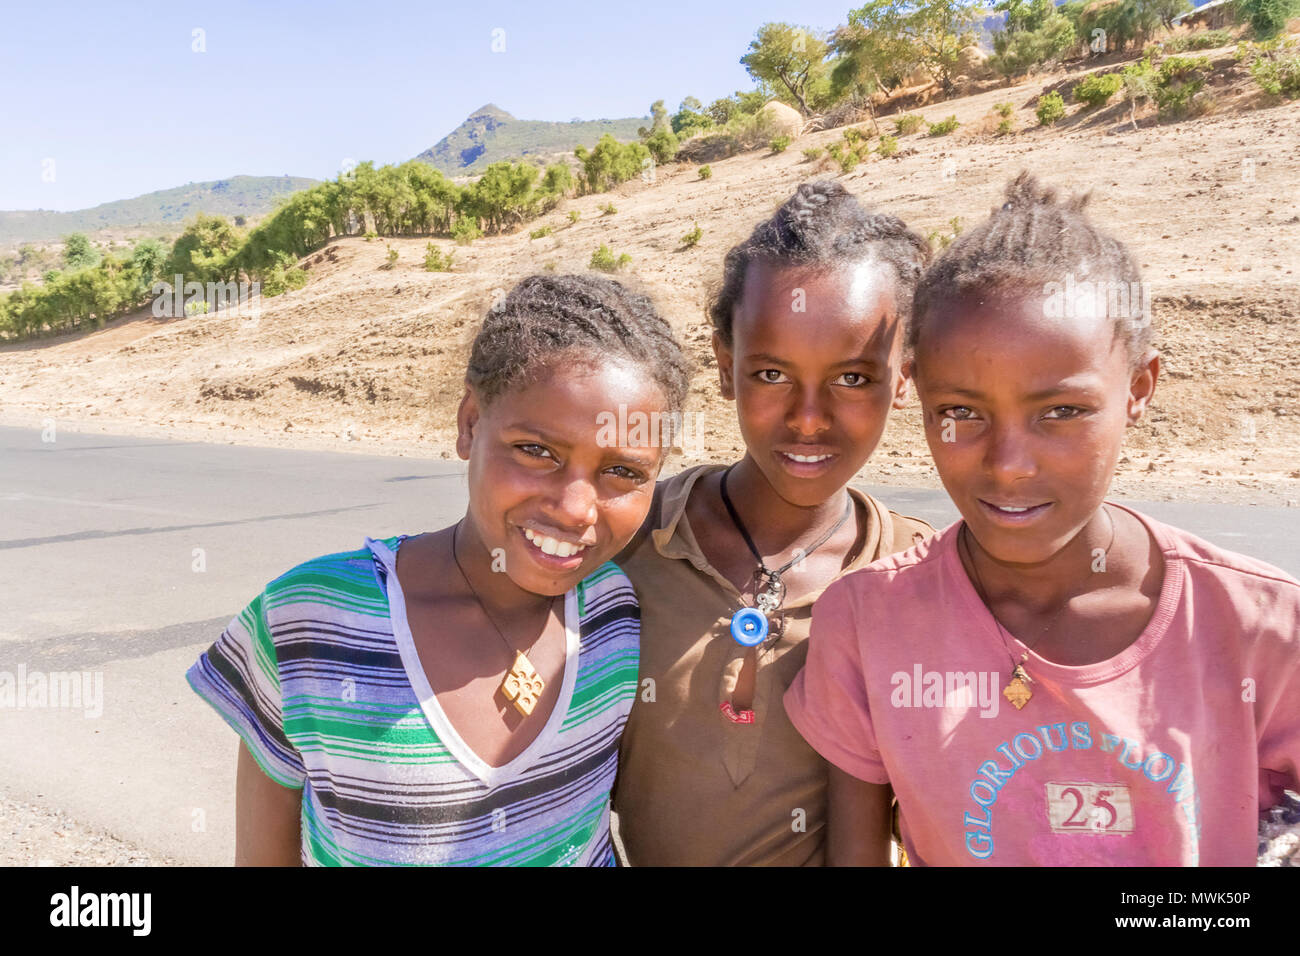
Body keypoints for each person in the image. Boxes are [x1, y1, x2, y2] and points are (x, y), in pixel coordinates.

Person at [785, 171, 1300, 866]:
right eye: (961, 412)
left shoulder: (1261, 628)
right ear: (920, 396)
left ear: (1140, 388)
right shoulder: (867, 622)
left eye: (1061, 412)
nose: (1009, 465)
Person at [186, 273, 690, 865]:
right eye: (537, 451)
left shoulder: (616, 612)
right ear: (470, 423)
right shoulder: (308, 621)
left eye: (623, 473)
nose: (576, 509)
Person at [612, 180, 935, 865]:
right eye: (770, 374)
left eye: (852, 378)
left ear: (903, 377)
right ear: (726, 367)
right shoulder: (629, 541)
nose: (809, 417)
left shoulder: (924, 579)